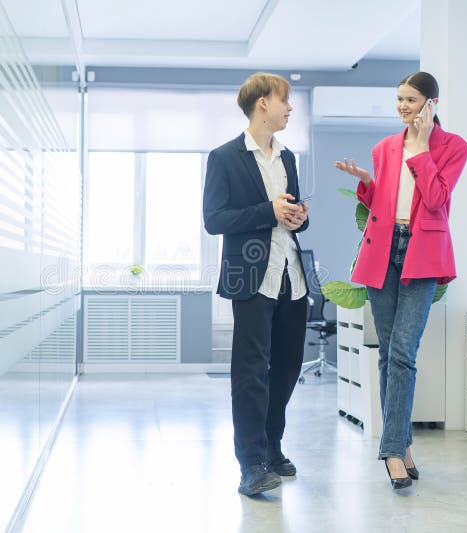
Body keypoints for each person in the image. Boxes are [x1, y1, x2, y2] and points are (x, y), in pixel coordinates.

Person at [334, 71, 467, 490]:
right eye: (399, 99)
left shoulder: (453, 147)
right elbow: (384, 202)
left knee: (403, 354)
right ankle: (402, 445)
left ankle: (392, 450)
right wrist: (365, 185)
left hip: (422, 255)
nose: (403, 107)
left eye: (412, 99)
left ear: (432, 103)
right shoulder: (384, 148)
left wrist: (424, 147)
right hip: (383, 250)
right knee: (387, 354)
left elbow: (435, 200)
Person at [203, 72, 310, 496]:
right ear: (262, 103)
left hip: (292, 275)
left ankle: (272, 445)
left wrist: (299, 216)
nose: (289, 108)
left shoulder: (288, 158)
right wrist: (269, 211)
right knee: (250, 373)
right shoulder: (224, 157)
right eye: (285, 100)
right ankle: (251, 464)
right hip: (249, 276)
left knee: (287, 367)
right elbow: (215, 220)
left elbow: (294, 213)